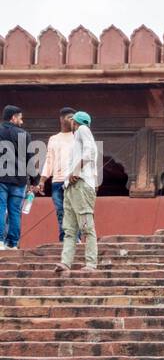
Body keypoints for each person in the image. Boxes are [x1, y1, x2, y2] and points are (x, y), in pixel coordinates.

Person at [55, 111, 99, 273]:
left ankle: (91, 263)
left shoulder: (83, 130)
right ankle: (65, 262)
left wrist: (76, 171)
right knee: (69, 229)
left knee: (86, 226)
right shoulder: (77, 137)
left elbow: (90, 153)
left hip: (80, 184)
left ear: (75, 122)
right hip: (72, 186)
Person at [35, 108, 78, 242]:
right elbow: (49, 161)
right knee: (60, 212)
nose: (72, 121)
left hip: (73, 181)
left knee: (74, 211)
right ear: (61, 119)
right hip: (57, 182)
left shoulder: (78, 137)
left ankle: (75, 239)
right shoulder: (53, 139)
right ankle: (64, 240)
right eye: (69, 118)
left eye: (74, 118)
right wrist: (42, 180)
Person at [0, 105, 31, 251]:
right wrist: (35, 181)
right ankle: (12, 244)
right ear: (13, 117)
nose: (22, 121)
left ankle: (0, 241)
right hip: (19, 180)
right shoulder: (24, 134)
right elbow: (30, 158)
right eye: (20, 118)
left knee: (1, 209)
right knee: (15, 212)